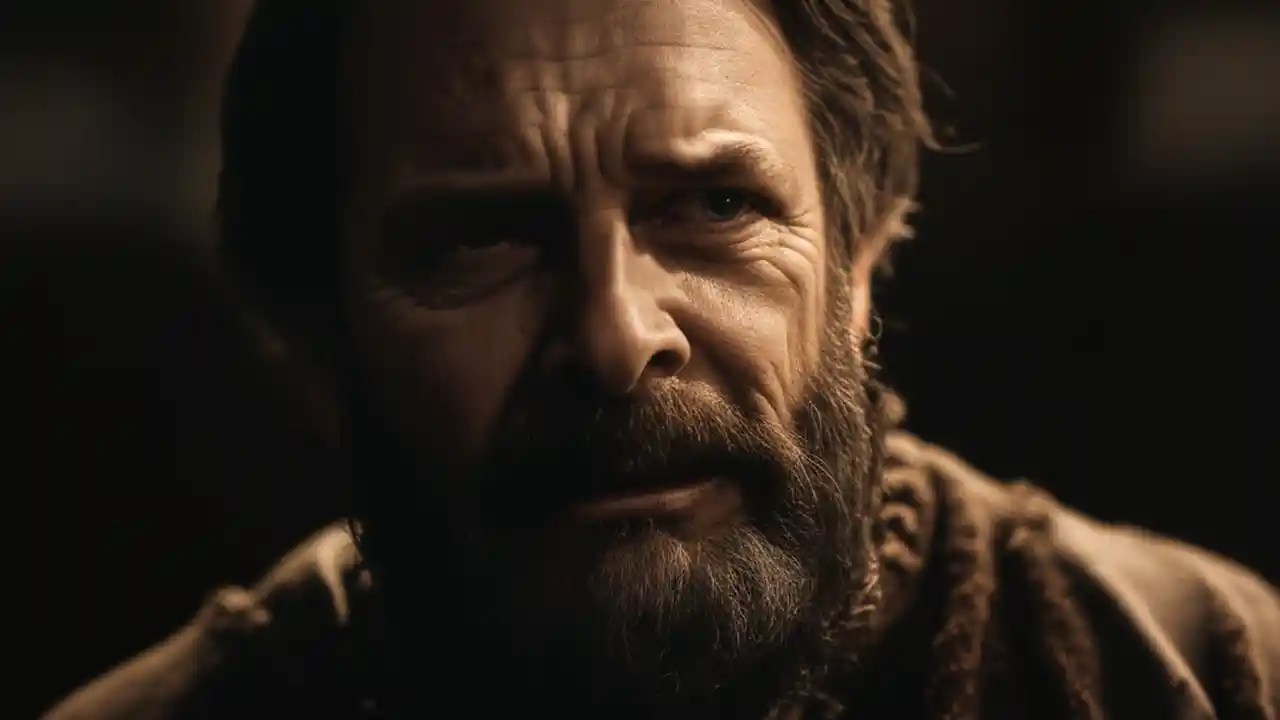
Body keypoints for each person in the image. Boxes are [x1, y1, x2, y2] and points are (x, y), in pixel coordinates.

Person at [44, 0, 1279, 718]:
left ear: (858, 258)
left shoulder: (1207, 673)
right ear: (314, 339)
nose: (618, 334)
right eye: (481, 237)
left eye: (713, 208)